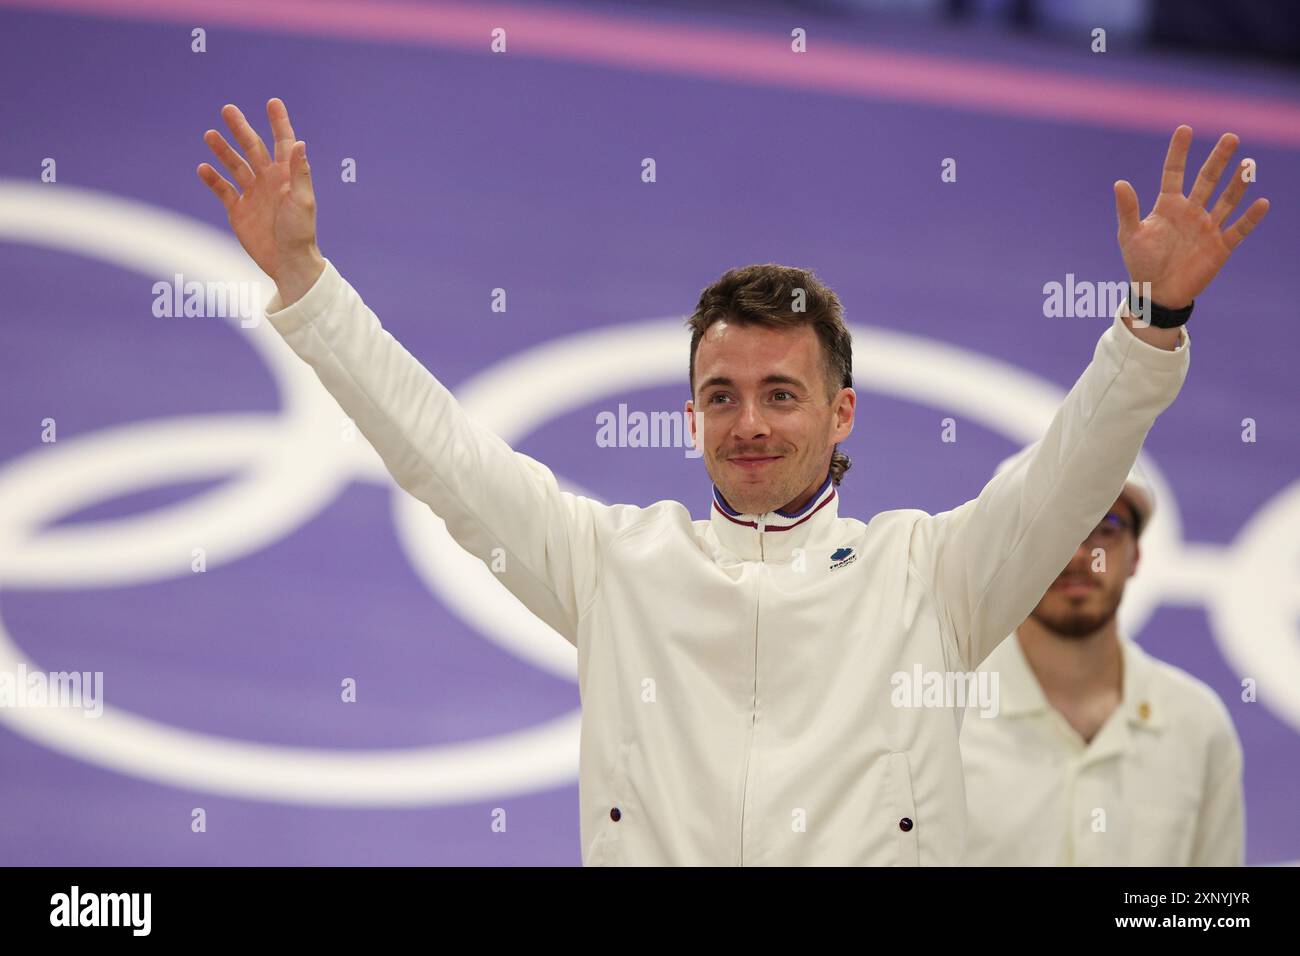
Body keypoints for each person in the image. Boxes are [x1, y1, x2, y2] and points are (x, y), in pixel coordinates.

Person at [196, 98, 1268, 865]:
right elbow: (436, 449)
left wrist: (1151, 322)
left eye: (780, 392)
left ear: (840, 409)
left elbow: (1078, 460)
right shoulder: (613, 563)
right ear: (691, 412)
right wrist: (305, 284)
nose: (748, 421)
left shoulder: (933, 574)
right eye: (721, 393)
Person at [959, 458, 1244, 865]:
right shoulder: (944, 714)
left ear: (1137, 556)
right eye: (1049, 528)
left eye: (1104, 528)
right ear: (1006, 553)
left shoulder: (1197, 725)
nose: (1077, 555)